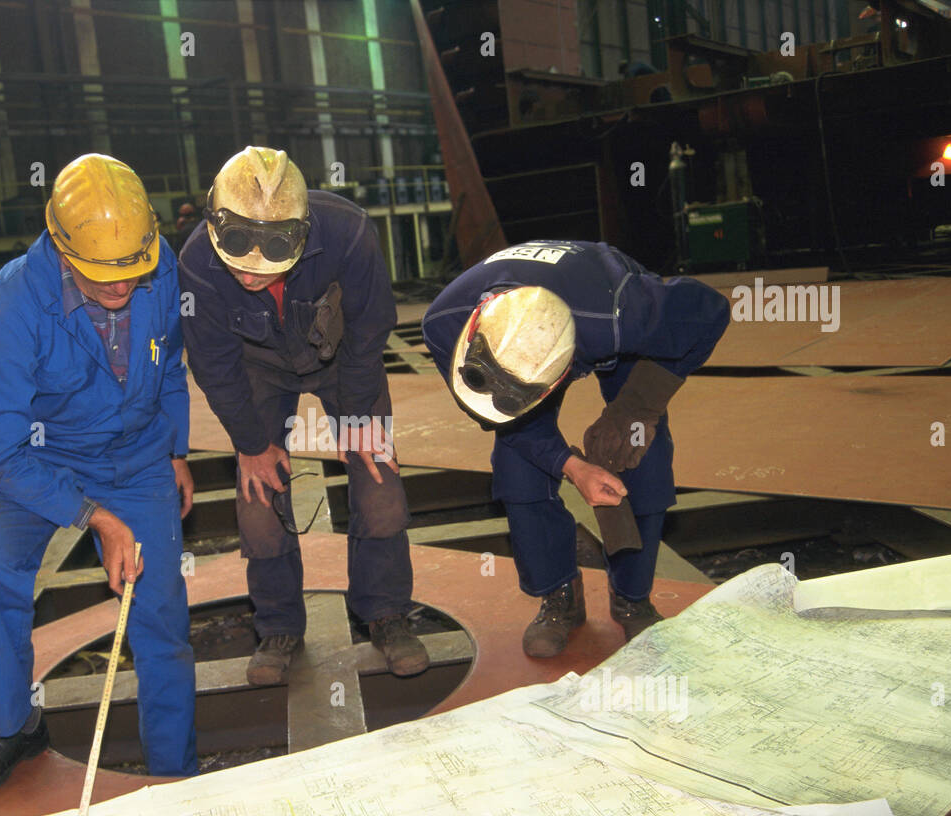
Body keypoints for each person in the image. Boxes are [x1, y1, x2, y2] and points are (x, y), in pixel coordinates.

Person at [0, 153, 197, 800]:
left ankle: (175, 774)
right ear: (61, 250)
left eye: (133, 273)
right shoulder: (10, 309)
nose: (123, 288)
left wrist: (176, 449)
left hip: (139, 452)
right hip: (42, 458)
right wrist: (93, 515)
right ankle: (13, 725)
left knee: (161, 613)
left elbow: (169, 360)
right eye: (102, 277)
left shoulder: (159, 263)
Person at [179, 146, 428, 685]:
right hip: (257, 370)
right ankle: (278, 626)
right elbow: (213, 364)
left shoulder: (348, 233)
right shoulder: (198, 262)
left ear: (300, 229)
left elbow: (368, 330)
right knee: (258, 502)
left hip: (344, 362)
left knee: (379, 487)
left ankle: (385, 614)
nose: (250, 276)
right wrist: (250, 444)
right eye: (239, 263)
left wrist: (360, 418)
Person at [421, 240, 729, 653]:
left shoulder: (621, 316)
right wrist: (570, 465)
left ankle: (633, 598)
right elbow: (507, 422)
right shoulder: (446, 326)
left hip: (594, 305)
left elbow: (709, 311)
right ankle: (559, 596)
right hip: (536, 323)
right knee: (517, 468)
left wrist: (638, 407)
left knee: (638, 450)